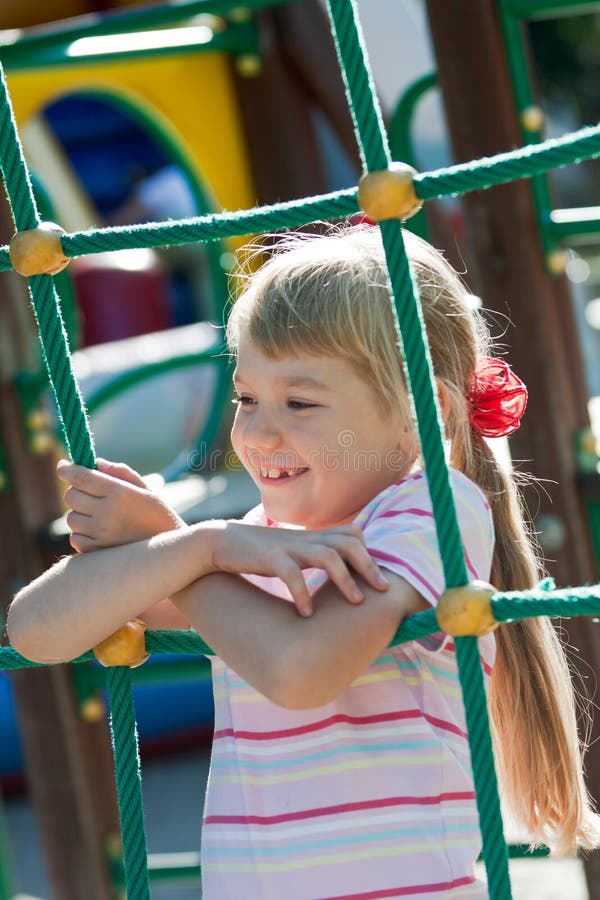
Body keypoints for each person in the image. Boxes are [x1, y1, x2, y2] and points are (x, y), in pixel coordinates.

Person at [8, 226, 600, 899]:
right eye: (246, 398)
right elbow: (35, 630)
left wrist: (196, 551)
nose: (257, 433)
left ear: (424, 414)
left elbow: (299, 668)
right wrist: (194, 549)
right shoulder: (257, 546)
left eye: (300, 402)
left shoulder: (431, 512)